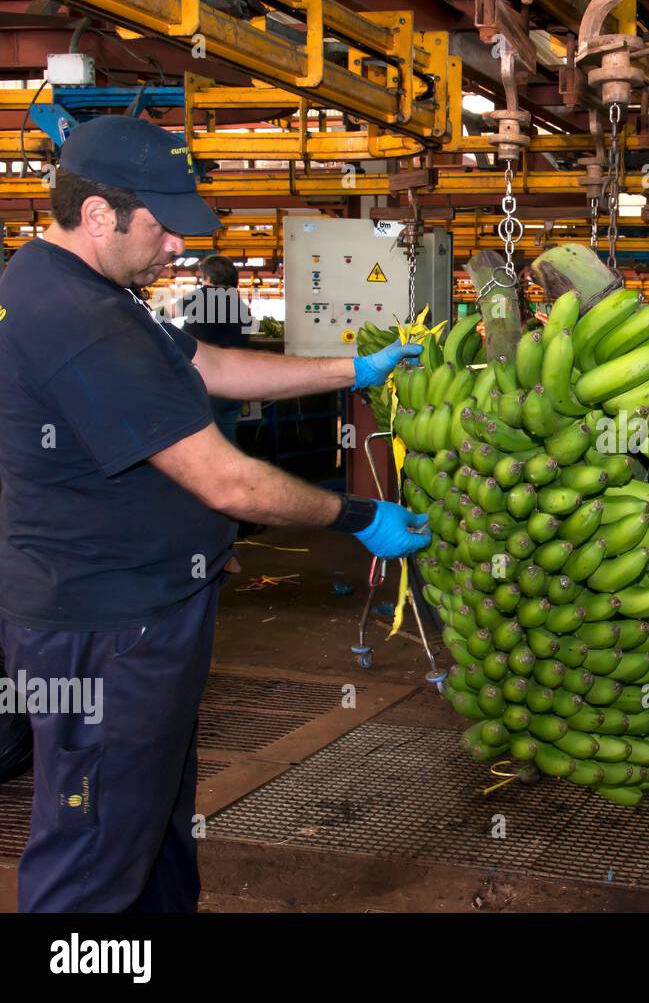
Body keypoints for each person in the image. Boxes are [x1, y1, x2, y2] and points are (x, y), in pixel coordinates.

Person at [0, 114, 429, 913]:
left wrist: (352, 366)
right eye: (162, 228)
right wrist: (353, 515)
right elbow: (229, 483)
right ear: (99, 216)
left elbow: (212, 364)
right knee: (93, 859)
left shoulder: (77, 282)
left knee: (150, 826)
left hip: (139, 617)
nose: (177, 249)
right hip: (106, 633)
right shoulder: (85, 325)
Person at [179, 254, 254, 444]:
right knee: (228, 437)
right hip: (236, 385)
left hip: (207, 384)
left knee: (207, 443)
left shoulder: (202, 296)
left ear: (209, 277)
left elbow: (159, 315)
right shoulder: (241, 306)